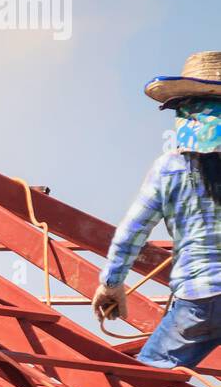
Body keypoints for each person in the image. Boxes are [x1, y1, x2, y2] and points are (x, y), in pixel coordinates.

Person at [93, 50, 221, 369]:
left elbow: (130, 233)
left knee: (150, 381)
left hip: (198, 299)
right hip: (198, 296)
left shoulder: (169, 168)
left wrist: (111, 285)